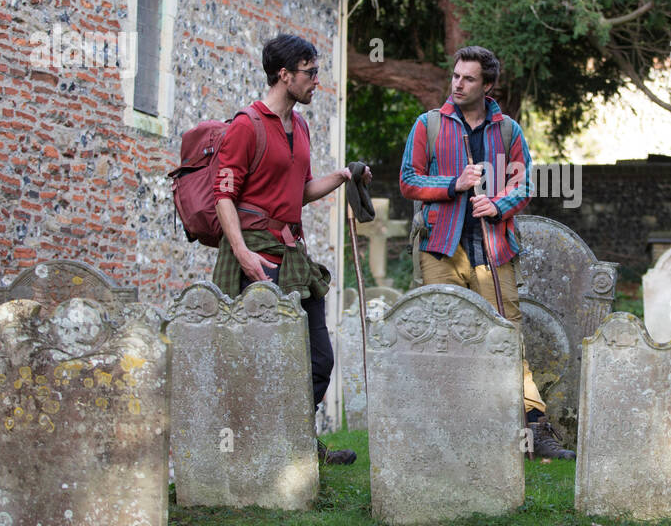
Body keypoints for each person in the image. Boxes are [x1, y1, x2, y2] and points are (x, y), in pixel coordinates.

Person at [399, 45, 575, 460]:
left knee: (506, 337)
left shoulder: (508, 131)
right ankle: (446, 431)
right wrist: (453, 185)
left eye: (468, 78)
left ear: (488, 85)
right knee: (443, 338)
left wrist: (497, 205)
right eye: (456, 76)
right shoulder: (428, 125)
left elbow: (524, 185)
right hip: (440, 248)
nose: (458, 84)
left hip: (493, 250)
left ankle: (535, 431)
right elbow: (409, 180)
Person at [212, 33, 366, 465]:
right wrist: (242, 253)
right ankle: (267, 454)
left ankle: (297, 441)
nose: (317, 80)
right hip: (257, 255)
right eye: (310, 73)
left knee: (319, 359)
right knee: (263, 362)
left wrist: (341, 177)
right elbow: (224, 194)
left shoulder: (299, 125)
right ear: (284, 76)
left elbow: (298, 191)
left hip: (293, 255)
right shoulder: (247, 125)